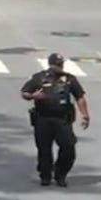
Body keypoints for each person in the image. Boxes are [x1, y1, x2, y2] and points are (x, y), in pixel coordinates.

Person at [20, 53, 88, 187]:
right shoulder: (39, 77)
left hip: (63, 120)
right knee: (44, 149)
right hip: (43, 119)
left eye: (60, 64)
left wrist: (85, 115)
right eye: (56, 64)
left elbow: (79, 96)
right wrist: (33, 96)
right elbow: (24, 92)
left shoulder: (69, 79)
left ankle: (60, 174)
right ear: (50, 64)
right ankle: (45, 175)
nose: (58, 67)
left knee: (68, 147)